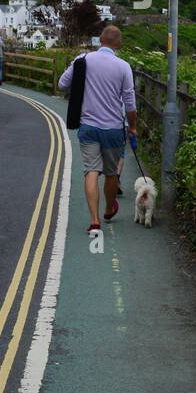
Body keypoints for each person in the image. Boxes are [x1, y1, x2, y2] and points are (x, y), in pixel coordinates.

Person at [58, 25, 136, 236]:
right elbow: (129, 102)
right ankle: (108, 210)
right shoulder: (123, 66)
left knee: (91, 171)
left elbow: (62, 84)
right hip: (113, 128)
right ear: (119, 44)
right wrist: (133, 127)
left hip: (88, 126)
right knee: (111, 173)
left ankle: (94, 222)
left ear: (99, 39)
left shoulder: (82, 60)